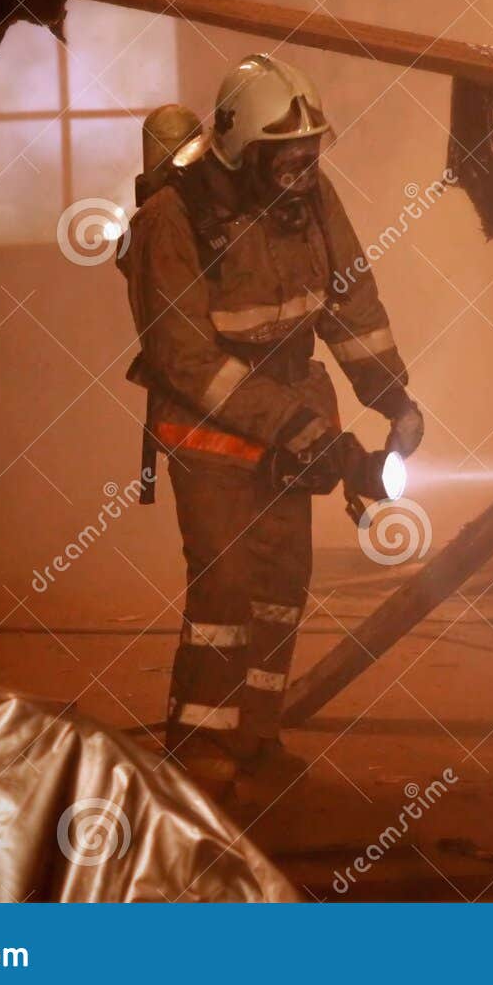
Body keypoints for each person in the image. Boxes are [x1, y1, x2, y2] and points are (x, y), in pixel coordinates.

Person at [119, 55, 424, 786]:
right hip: (211, 430)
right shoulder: (173, 218)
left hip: (293, 419)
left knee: (282, 586)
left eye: (309, 150)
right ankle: (198, 748)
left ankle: (256, 739)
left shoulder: (313, 198)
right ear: (240, 147)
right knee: (225, 587)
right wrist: (302, 431)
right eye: (284, 153)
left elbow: (352, 304)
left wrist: (394, 399)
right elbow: (185, 358)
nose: (299, 166)